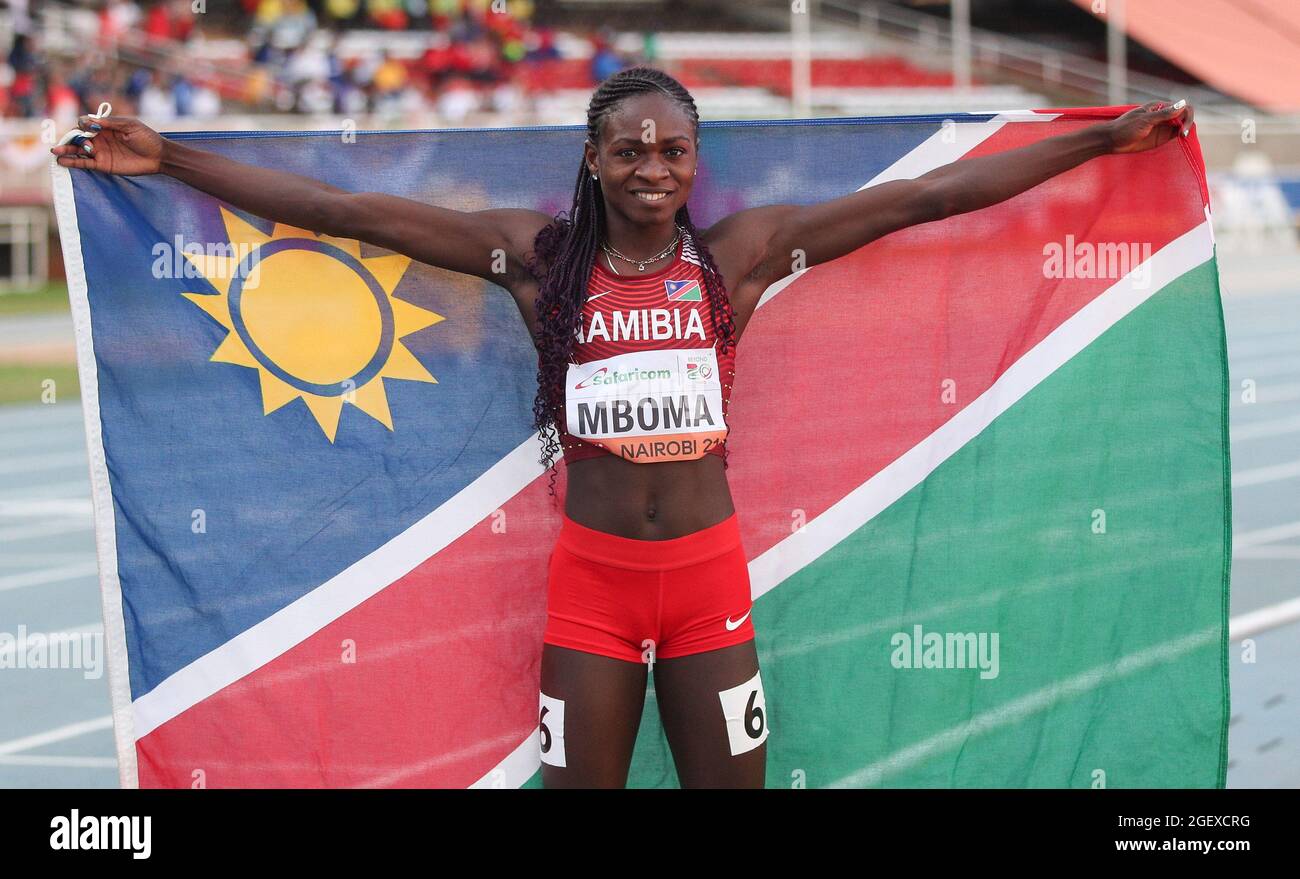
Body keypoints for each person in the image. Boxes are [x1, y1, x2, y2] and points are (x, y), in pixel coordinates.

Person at [52, 67, 1193, 789]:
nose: (653, 167)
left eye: (673, 150)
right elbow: (352, 214)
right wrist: (173, 160)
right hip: (589, 590)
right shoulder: (540, 261)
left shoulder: (735, 259)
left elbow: (927, 200)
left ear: (695, 164)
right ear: (592, 160)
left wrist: (1099, 142)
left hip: (707, 586)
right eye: (630, 149)